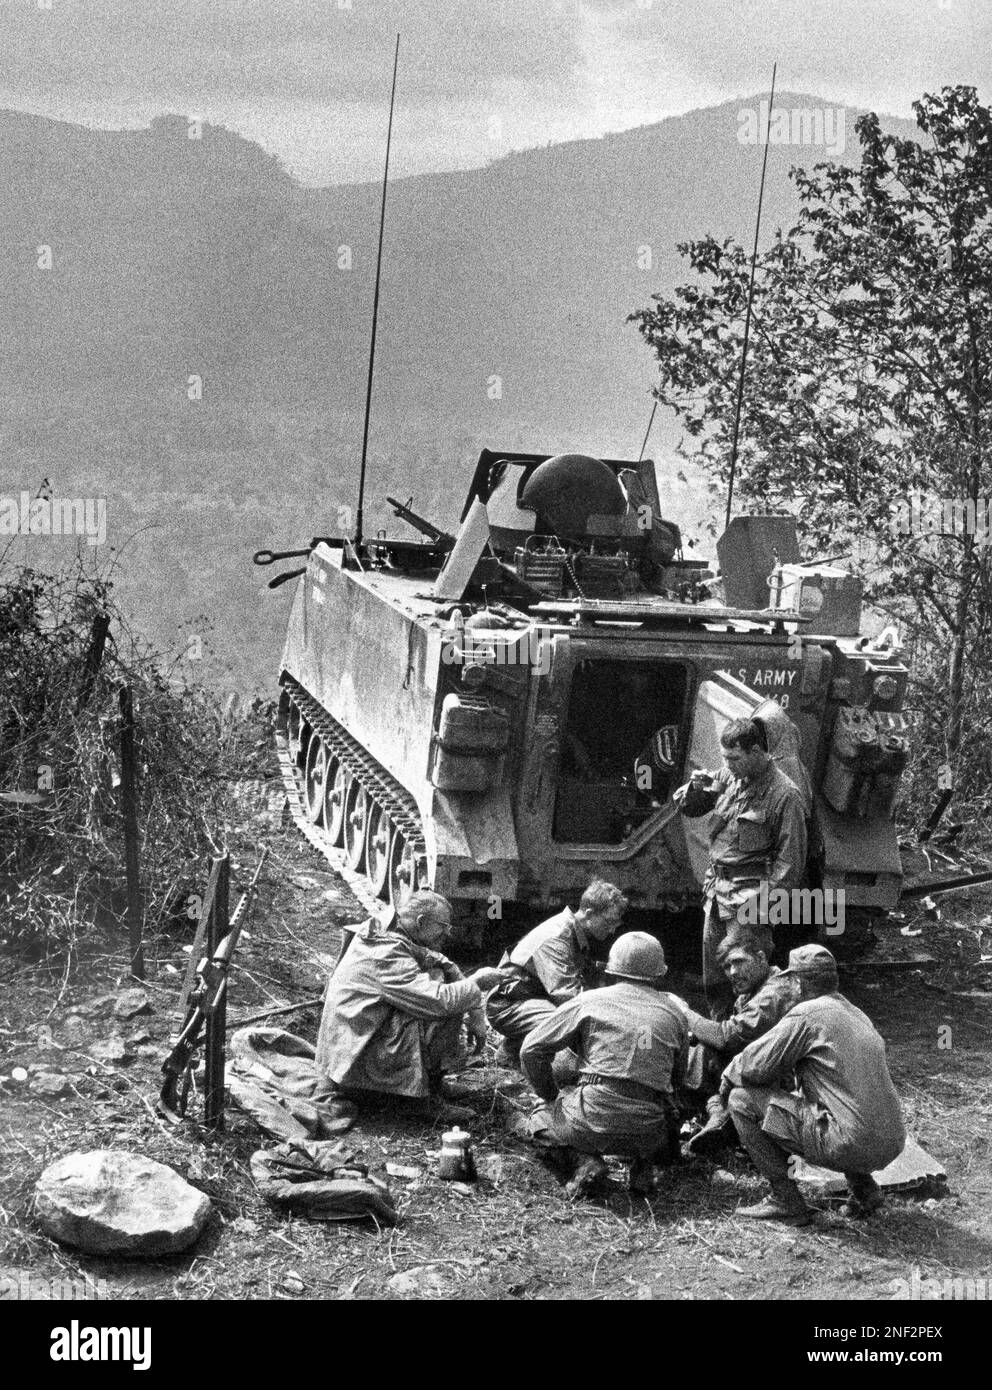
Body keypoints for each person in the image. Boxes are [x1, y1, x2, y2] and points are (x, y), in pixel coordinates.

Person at [722, 944, 907, 1225]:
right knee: (838, 1103)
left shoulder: (807, 1013)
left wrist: (726, 1078)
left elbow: (754, 1067)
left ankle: (786, 1200)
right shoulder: (856, 1012)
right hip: (893, 1140)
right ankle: (865, 1190)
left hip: (851, 1143)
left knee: (740, 1100)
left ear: (797, 983)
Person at [519, 932, 689, 1197]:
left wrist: (550, 1096)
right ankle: (644, 1166)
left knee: (539, 1118)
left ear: (611, 968)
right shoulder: (675, 1013)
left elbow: (531, 1049)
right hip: (649, 1130)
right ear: (659, 973)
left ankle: (584, 1162)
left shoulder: (590, 1000)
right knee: (664, 1107)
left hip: (590, 1120)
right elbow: (678, 1081)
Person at [314, 891, 502, 1106]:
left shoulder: (393, 928)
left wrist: (476, 1009)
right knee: (447, 1005)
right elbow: (438, 1001)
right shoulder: (385, 951)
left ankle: (431, 1084)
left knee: (444, 978)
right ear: (421, 922)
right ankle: (416, 1101)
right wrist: (477, 984)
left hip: (358, 1035)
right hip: (355, 1058)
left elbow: (439, 960)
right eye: (443, 926)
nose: (447, 934)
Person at [674, 716, 807, 1019]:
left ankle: (751, 1035)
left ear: (757, 752)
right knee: (716, 975)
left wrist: (760, 909)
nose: (728, 764)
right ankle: (720, 1028)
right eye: (725, 758)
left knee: (748, 978)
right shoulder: (731, 779)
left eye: (735, 758)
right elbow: (691, 808)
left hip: (751, 901)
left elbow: (790, 863)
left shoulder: (784, 795)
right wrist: (695, 789)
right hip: (718, 894)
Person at [682, 925, 799, 1156]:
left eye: (738, 962)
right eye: (727, 967)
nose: (732, 972)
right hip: (759, 1072)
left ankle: (725, 1120)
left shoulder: (776, 992)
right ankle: (718, 1114)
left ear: (760, 957)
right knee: (701, 1047)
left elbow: (729, 1037)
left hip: (785, 1084)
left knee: (711, 1043)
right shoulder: (750, 992)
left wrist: (683, 1011)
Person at [487, 879, 628, 1065]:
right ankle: (551, 1075)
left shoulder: (572, 930)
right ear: (589, 914)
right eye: (609, 922)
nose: (612, 930)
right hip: (506, 1005)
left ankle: (511, 1052)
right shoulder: (557, 938)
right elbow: (568, 997)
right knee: (566, 1024)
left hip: (528, 997)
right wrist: (613, 1016)